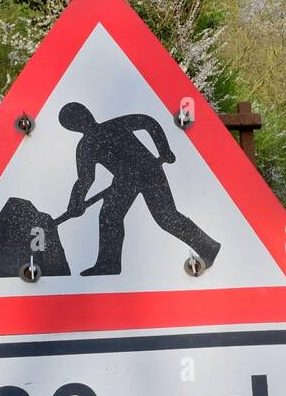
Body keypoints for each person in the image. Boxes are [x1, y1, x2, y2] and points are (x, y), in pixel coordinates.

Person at [58, 102, 220, 276]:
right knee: (109, 215)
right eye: (74, 123)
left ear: (88, 113)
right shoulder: (85, 147)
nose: (81, 123)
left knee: (166, 217)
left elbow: (148, 122)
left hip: (149, 170)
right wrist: (75, 203)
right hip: (124, 180)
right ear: (73, 128)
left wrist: (163, 149)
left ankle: (208, 248)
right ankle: (108, 264)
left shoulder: (114, 125)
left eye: (80, 117)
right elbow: (85, 179)